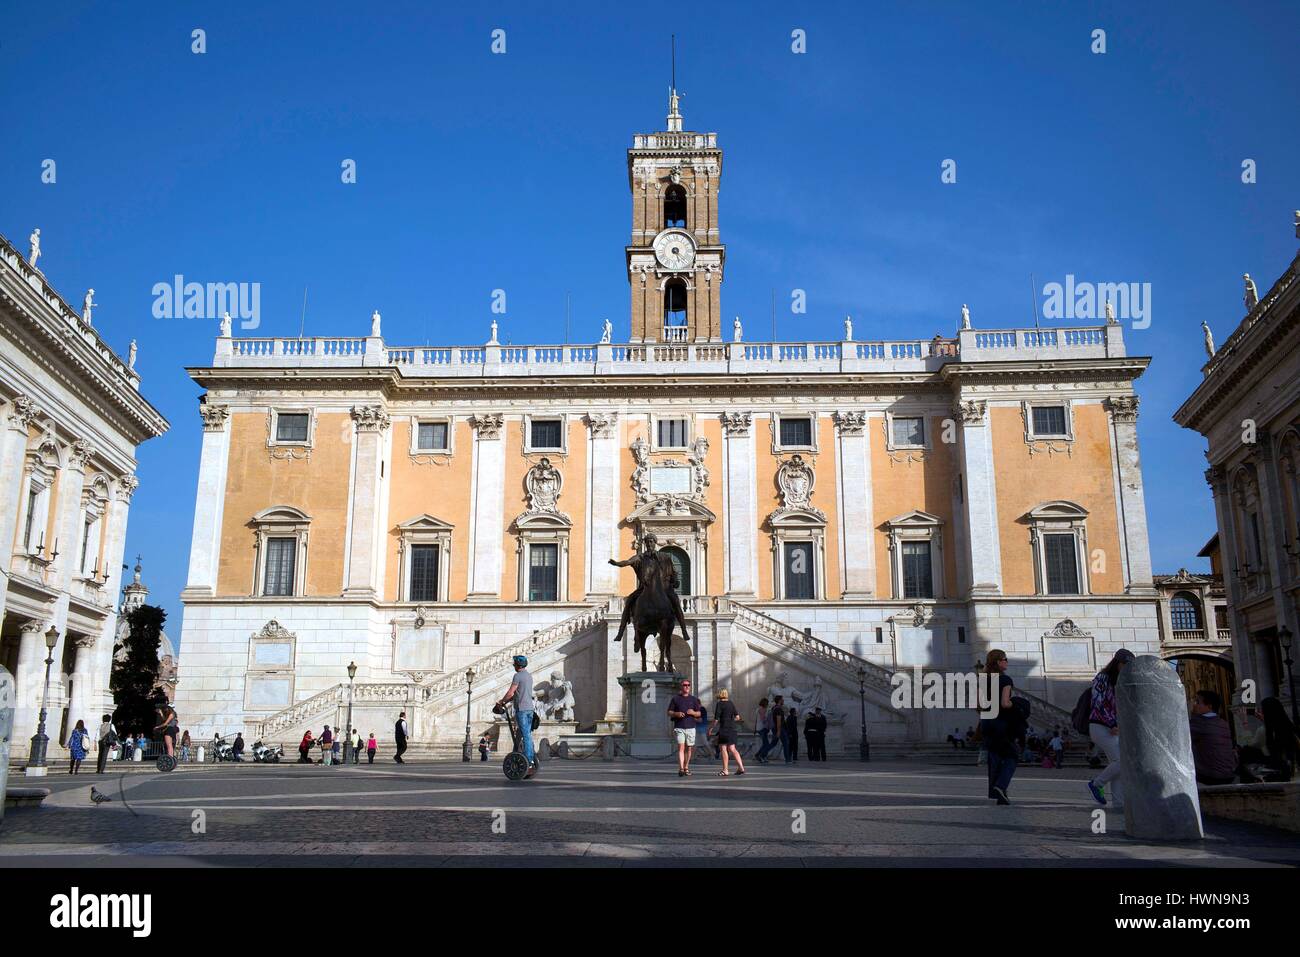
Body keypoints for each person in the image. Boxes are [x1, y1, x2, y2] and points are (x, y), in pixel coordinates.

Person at [1085, 648, 1135, 807]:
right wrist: (1111, 723)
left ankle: (1119, 804)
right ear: (1117, 663)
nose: (1126, 668)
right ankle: (1097, 784)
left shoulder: (1119, 680)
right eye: (1124, 664)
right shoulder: (1102, 678)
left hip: (1114, 727)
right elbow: (1097, 703)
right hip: (1100, 726)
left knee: (1118, 763)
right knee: (1121, 761)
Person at [980, 649, 1018, 805]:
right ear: (998, 662)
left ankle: (998, 794)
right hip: (1000, 721)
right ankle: (1001, 786)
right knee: (1012, 756)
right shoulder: (1005, 680)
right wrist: (1014, 703)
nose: (1007, 661)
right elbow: (1004, 703)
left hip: (986, 721)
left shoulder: (983, 679)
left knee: (995, 756)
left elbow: (979, 704)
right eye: (1005, 659)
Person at [1238, 696, 1299, 782]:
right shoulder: (1290, 727)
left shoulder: (1262, 731)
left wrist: (1244, 724)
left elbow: (1249, 745)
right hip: (1294, 774)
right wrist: (1264, 720)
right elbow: (1275, 729)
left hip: (1278, 775)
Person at [496, 655, 538, 777]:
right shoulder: (529, 676)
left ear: (517, 665)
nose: (513, 666)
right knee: (522, 734)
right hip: (530, 709)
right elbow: (519, 694)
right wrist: (507, 701)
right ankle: (518, 753)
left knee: (526, 735)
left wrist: (502, 701)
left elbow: (511, 692)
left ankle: (529, 761)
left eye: (514, 664)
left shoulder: (517, 676)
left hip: (522, 710)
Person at [1188, 689, 1237, 785]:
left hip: (1209, 776)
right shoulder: (1223, 723)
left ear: (1209, 706)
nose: (1194, 704)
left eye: (1198, 702)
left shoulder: (1200, 723)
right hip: (1229, 774)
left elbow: (1182, 735)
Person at [667, 677, 702, 777]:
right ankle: (681, 768)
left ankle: (686, 767)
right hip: (679, 726)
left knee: (689, 748)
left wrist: (693, 713)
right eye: (684, 685)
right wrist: (676, 713)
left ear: (690, 687)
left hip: (691, 726)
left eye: (688, 685)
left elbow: (699, 713)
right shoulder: (675, 699)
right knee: (681, 747)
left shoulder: (694, 699)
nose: (686, 687)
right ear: (681, 687)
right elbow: (669, 712)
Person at [710, 689, 746, 775]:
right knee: (733, 749)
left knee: (723, 748)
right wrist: (730, 720)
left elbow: (716, 719)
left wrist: (710, 728)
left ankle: (725, 770)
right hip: (732, 728)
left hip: (724, 729)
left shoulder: (719, 704)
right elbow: (737, 717)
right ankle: (741, 767)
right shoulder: (731, 703)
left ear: (719, 694)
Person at [753, 698, 772, 764]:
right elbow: (763, 719)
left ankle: (760, 755)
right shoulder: (762, 709)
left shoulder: (758, 709)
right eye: (767, 703)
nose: (768, 704)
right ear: (765, 703)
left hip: (760, 728)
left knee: (765, 743)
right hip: (762, 728)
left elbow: (757, 720)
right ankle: (760, 756)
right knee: (766, 744)